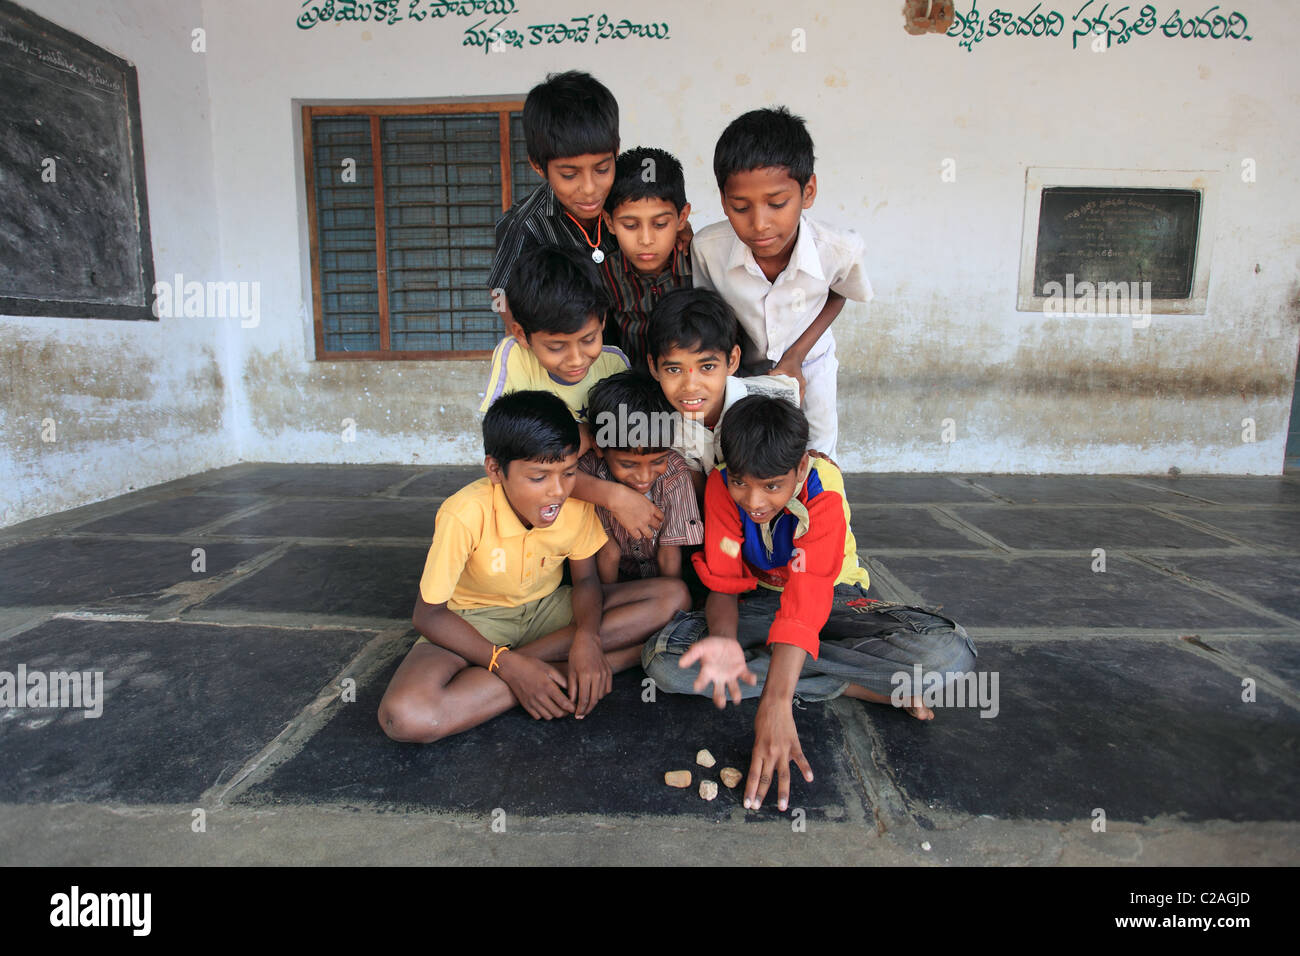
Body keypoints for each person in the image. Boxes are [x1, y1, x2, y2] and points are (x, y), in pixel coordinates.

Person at [641, 395, 978, 811]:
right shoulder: (720, 485)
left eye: (772, 486)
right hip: (761, 604)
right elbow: (725, 584)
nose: (754, 501)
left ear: (800, 469)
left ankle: (787, 671)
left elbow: (808, 594)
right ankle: (854, 683)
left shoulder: (824, 487)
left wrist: (776, 702)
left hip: (836, 601)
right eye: (741, 482)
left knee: (948, 653)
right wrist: (726, 640)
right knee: (666, 663)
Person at [378, 390, 689, 743]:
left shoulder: (574, 502)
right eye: (538, 477)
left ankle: (529, 674)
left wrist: (587, 637)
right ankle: (596, 665)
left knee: (673, 596)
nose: (557, 491)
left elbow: (586, 581)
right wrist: (507, 665)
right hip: (473, 621)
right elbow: (429, 615)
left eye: (569, 473)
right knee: (406, 717)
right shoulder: (463, 513)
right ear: (496, 470)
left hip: (547, 613)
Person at [692, 106, 873, 459]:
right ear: (723, 200)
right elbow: (709, 314)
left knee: (816, 456)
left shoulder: (839, 248)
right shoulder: (708, 248)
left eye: (776, 204)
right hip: (739, 369)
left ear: (808, 191)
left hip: (811, 362)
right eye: (740, 207)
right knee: (739, 458)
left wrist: (796, 357)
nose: (759, 224)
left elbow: (840, 292)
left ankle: (820, 515)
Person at [646, 287, 800, 481]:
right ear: (653, 367)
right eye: (674, 370)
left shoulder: (774, 399)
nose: (691, 386)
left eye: (707, 367)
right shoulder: (662, 427)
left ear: (733, 360)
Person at [480, 244, 628, 433]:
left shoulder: (614, 363)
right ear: (521, 334)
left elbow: (624, 435)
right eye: (556, 347)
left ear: (603, 322)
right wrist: (584, 434)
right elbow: (501, 433)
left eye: (589, 340)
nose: (576, 360)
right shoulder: (515, 356)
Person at [579, 370, 702, 584]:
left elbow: (669, 551)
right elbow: (608, 552)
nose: (644, 476)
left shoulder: (675, 474)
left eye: (657, 461)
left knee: (677, 595)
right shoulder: (589, 470)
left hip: (660, 580)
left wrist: (670, 597)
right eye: (628, 464)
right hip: (612, 581)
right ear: (598, 446)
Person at [597, 147, 693, 371]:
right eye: (630, 225)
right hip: (633, 386)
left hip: (692, 386)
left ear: (682, 218)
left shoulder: (700, 263)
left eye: (660, 224)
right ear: (609, 222)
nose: (646, 239)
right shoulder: (605, 274)